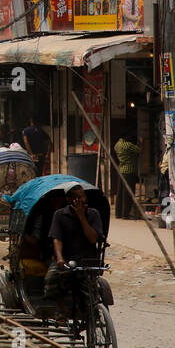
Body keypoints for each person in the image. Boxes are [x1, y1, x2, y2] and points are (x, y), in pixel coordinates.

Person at [45, 184, 106, 316]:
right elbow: (57, 239)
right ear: (69, 200)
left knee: (91, 293)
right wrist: (60, 258)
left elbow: (93, 239)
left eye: (82, 196)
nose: (81, 200)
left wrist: (81, 217)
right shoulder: (59, 215)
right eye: (77, 197)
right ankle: (61, 308)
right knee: (51, 280)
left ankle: (92, 315)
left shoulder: (93, 214)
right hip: (67, 259)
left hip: (88, 260)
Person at [114, 134, 142, 219]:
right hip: (129, 171)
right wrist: (141, 143)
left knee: (120, 194)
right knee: (128, 194)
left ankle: (118, 213)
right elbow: (139, 150)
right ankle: (125, 214)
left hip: (121, 170)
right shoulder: (128, 145)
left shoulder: (117, 144)